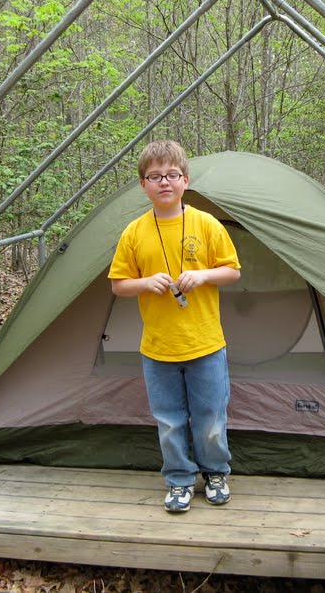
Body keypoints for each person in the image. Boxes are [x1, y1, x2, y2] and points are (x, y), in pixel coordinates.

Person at [108, 140, 241, 512]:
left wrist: (202, 276)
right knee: (168, 421)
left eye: (171, 175)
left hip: (207, 344)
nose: (163, 182)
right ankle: (179, 479)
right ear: (143, 185)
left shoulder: (206, 223)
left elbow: (232, 271)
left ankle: (215, 472)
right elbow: (119, 285)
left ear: (185, 180)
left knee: (211, 419)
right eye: (154, 176)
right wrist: (144, 283)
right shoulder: (134, 232)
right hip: (158, 347)